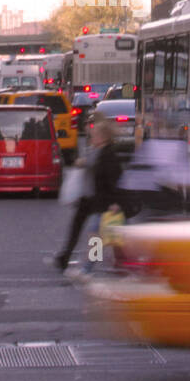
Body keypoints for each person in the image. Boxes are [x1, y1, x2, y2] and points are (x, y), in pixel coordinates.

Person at [54, 111, 131, 278]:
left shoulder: (108, 156)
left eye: (95, 135)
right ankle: (122, 267)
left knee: (99, 238)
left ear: (103, 137)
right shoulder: (101, 152)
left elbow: (114, 182)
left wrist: (115, 203)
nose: (91, 137)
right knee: (109, 239)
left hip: (108, 205)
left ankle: (89, 269)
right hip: (102, 204)